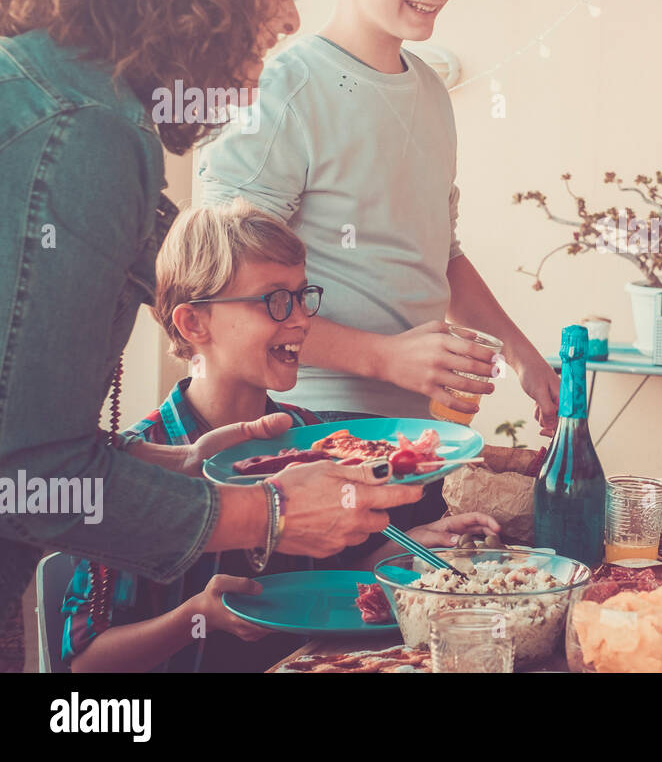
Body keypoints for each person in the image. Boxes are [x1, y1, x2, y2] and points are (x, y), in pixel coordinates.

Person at [0, 0, 422, 671]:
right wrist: (266, 516)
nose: (287, 11)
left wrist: (176, 466)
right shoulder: (86, 134)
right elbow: (31, 470)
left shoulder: (43, 86)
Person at [198, 0, 560, 444]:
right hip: (306, 424)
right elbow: (222, 286)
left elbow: (440, 255)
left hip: (419, 429)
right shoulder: (285, 90)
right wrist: (383, 357)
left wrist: (522, 354)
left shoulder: (430, 93)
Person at [60, 201, 497, 672]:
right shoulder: (133, 468)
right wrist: (195, 618)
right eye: (274, 300)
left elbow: (328, 585)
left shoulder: (311, 433)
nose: (301, 319)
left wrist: (410, 544)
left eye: (301, 294)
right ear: (194, 323)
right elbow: (85, 662)